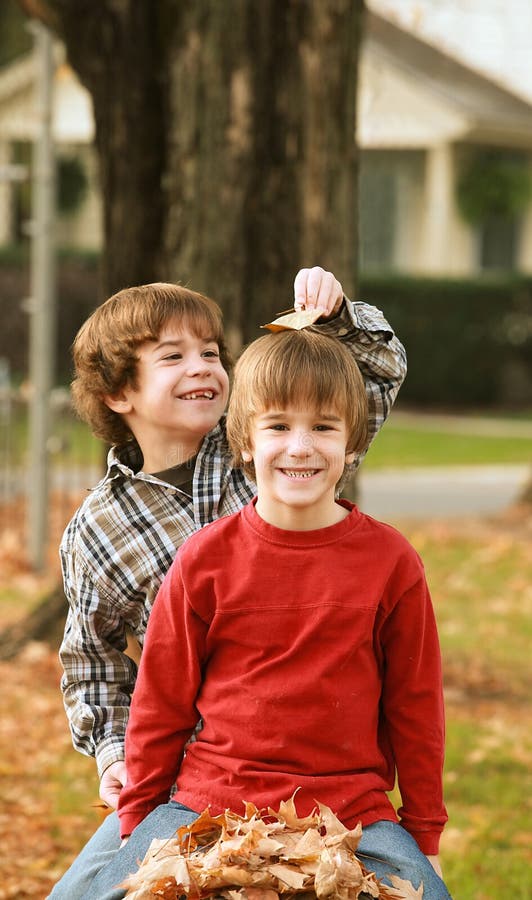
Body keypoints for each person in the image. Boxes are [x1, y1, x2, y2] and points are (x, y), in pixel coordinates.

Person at [48, 267, 407, 899]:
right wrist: (114, 754)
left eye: (212, 352)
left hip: (321, 766)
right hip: (190, 778)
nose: (204, 367)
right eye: (173, 356)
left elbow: (376, 376)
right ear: (117, 394)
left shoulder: (274, 442)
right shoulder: (97, 530)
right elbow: (93, 660)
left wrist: (339, 315)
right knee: (82, 894)